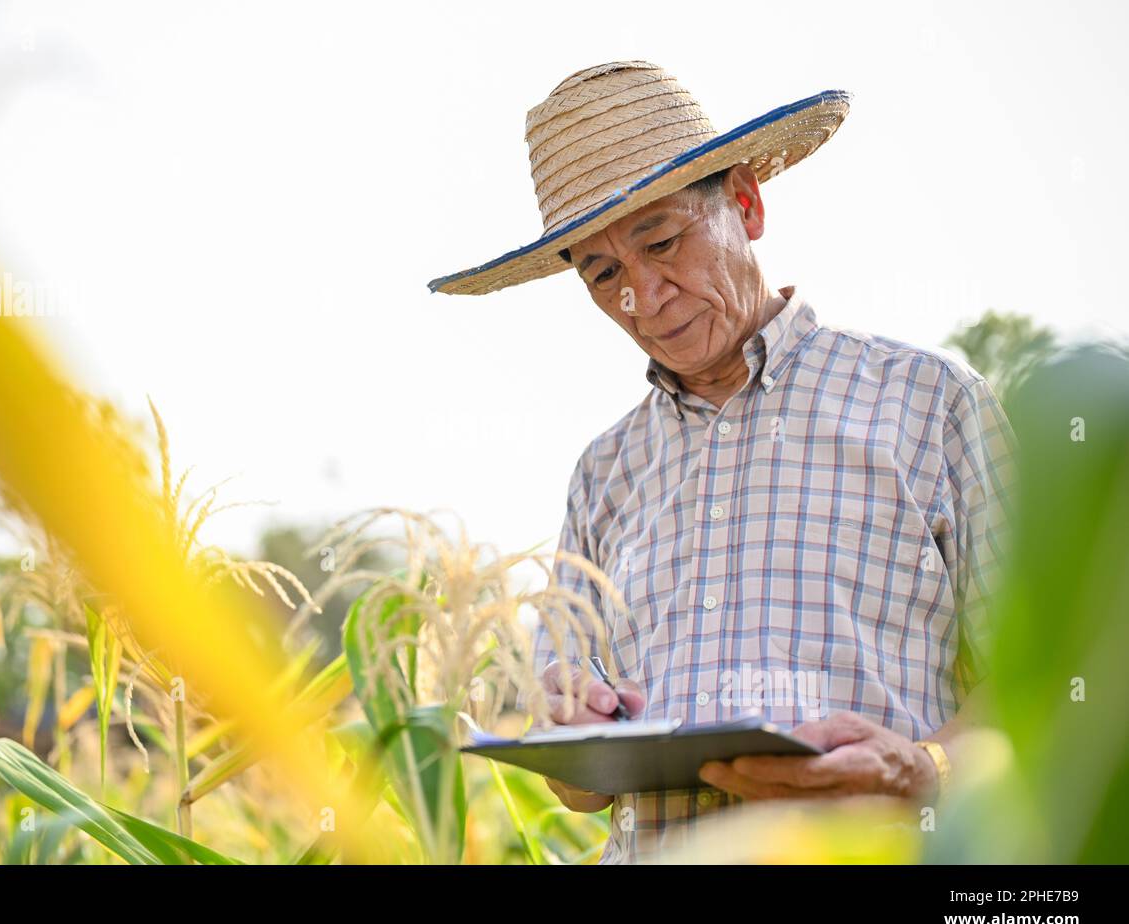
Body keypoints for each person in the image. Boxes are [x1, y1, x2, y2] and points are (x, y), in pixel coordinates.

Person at [428, 61, 1014, 863]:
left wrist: (925, 766)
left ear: (746, 201)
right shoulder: (603, 474)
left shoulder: (930, 403)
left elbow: (1056, 690)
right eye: (603, 275)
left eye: (662, 241)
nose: (643, 295)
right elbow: (580, 786)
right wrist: (574, 725)